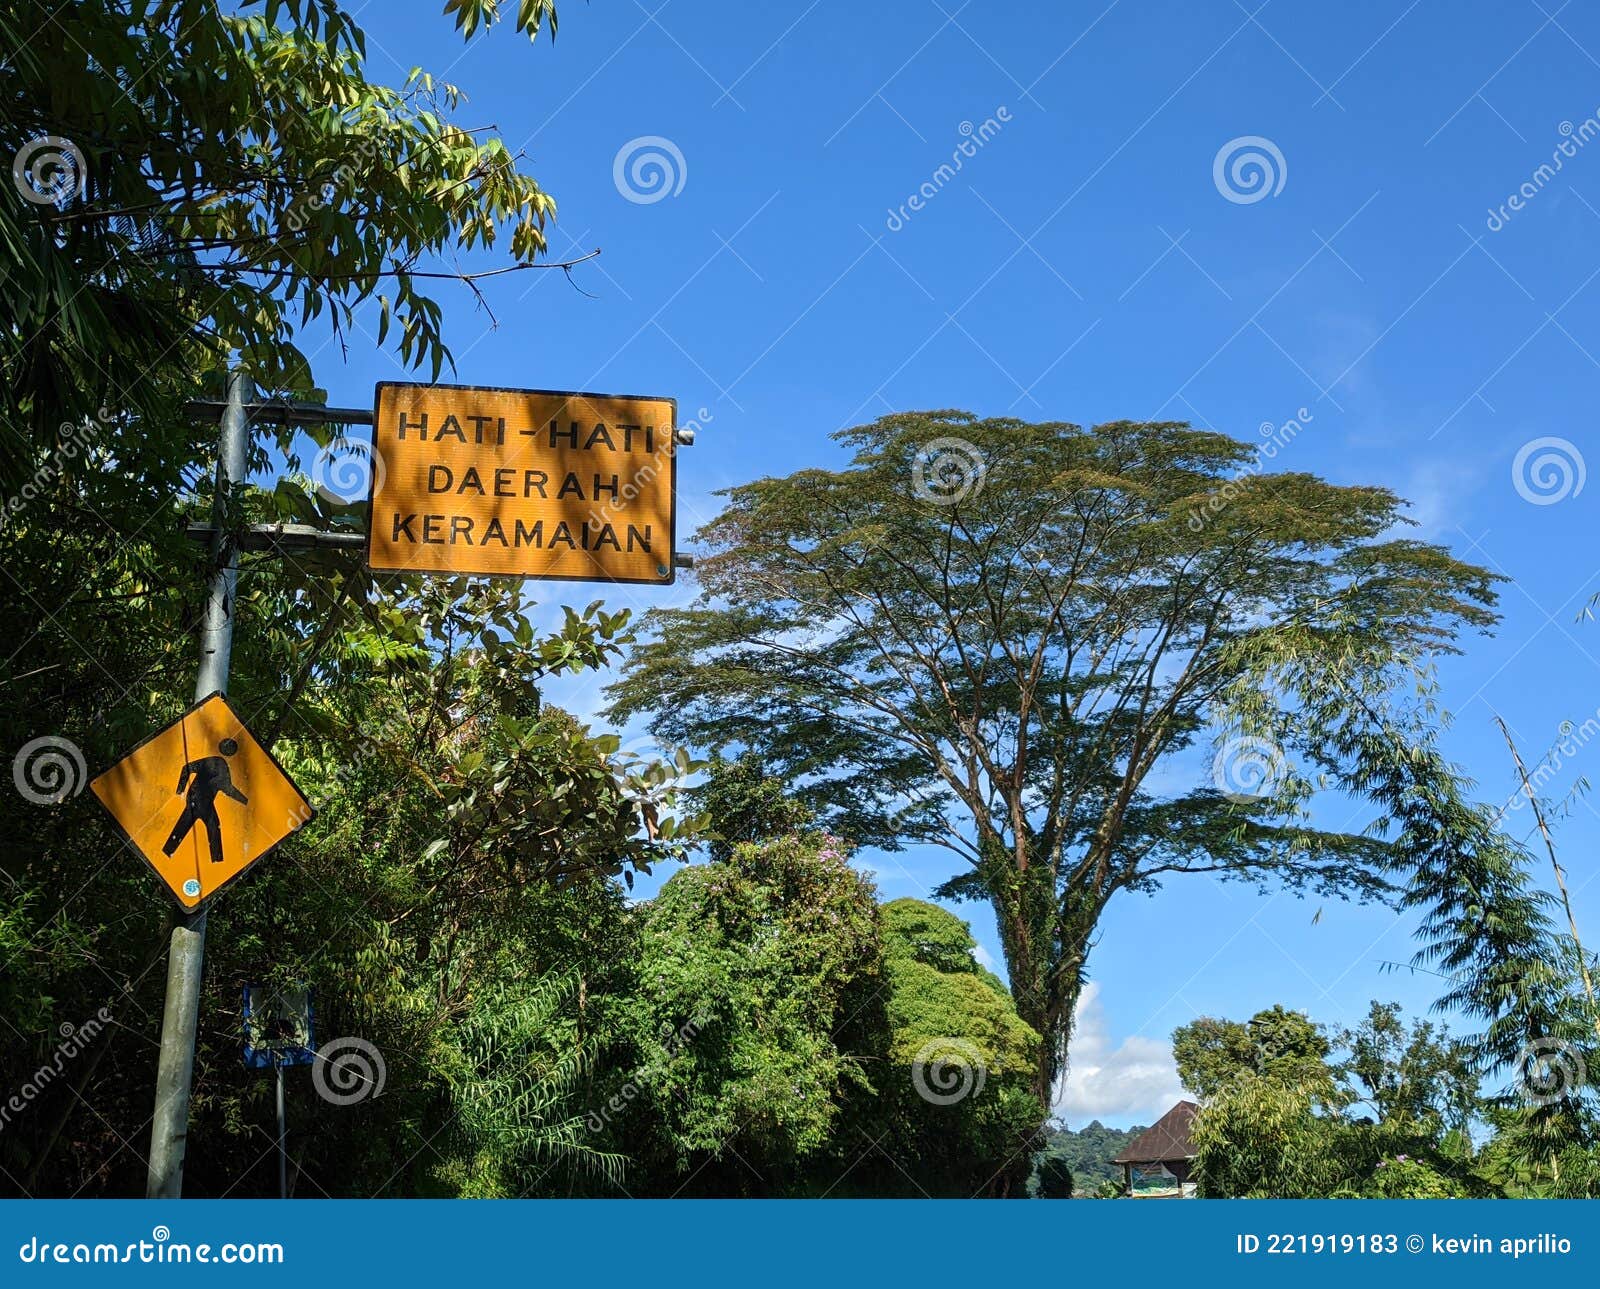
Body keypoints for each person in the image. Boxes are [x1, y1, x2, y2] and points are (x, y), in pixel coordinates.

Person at [161, 738, 249, 865]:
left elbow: (227, 789)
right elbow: (228, 788)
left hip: (199, 800)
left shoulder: (217, 762)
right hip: (199, 800)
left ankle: (168, 852)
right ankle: (217, 860)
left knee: (195, 825)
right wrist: (179, 791)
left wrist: (245, 801)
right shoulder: (220, 764)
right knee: (212, 826)